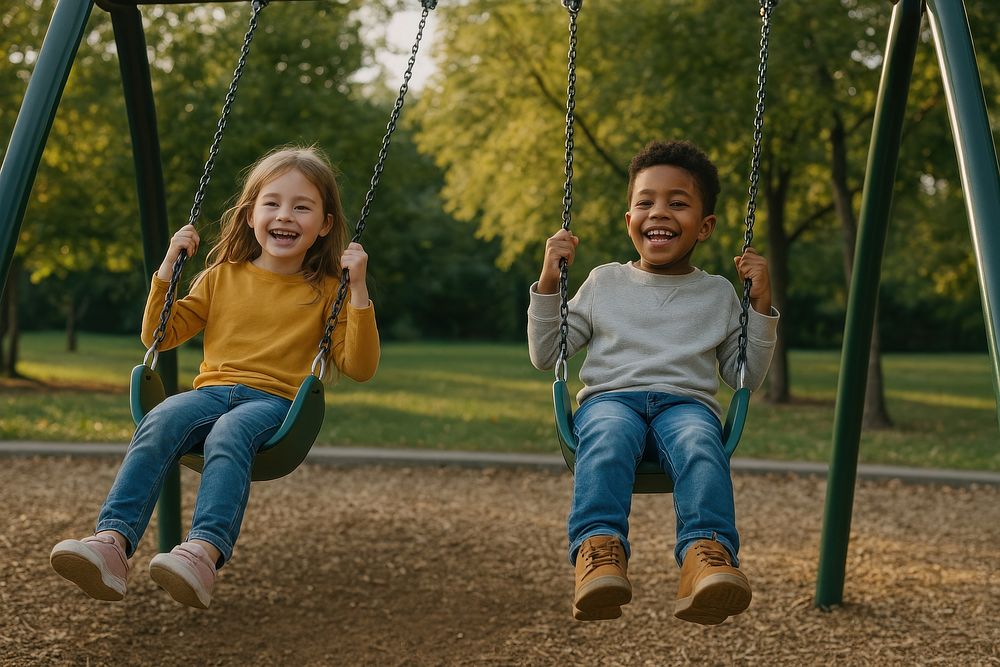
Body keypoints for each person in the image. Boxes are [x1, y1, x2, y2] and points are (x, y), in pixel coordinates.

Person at [50, 146, 380, 609]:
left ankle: (201, 554)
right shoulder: (221, 276)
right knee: (163, 417)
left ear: (324, 224)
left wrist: (359, 288)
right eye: (272, 203)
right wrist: (169, 267)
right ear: (250, 215)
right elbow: (159, 335)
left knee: (230, 433)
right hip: (211, 393)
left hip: (274, 406)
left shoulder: (329, 290)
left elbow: (360, 366)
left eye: (302, 207)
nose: (285, 215)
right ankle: (110, 545)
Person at [527, 140, 778, 625]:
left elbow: (742, 373)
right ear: (629, 220)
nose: (658, 212)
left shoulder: (719, 293)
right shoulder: (603, 282)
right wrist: (548, 282)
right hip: (611, 400)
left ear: (705, 227)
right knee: (606, 437)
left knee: (700, 445)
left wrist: (760, 306)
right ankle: (598, 553)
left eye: (677, 203)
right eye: (645, 202)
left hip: (685, 405)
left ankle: (706, 558)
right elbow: (546, 354)